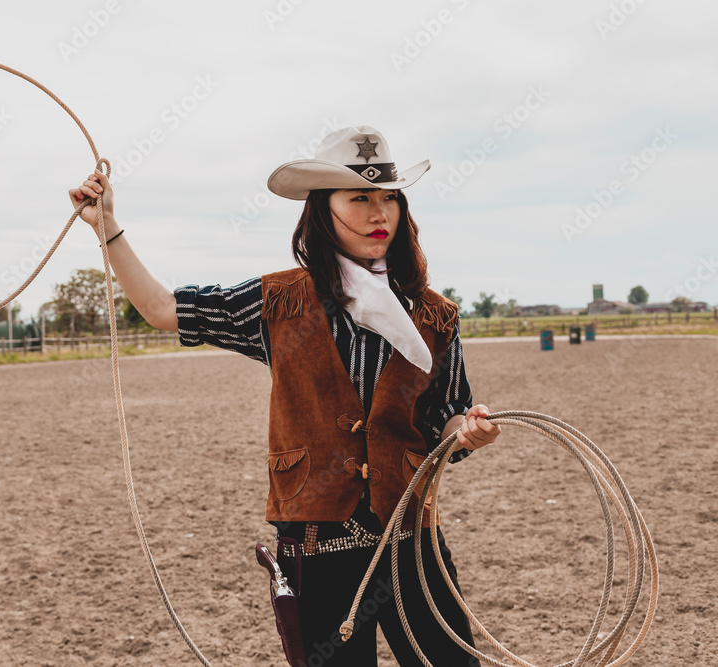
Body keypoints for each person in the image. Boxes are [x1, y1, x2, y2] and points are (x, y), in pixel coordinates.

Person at [69, 126, 501, 667]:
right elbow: (160, 308)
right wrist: (107, 226)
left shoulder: (435, 314)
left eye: (389, 197)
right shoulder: (277, 302)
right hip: (318, 543)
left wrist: (467, 432)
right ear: (324, 209)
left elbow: (446, 420)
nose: (378, 214)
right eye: (360, 198)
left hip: (410, 539)